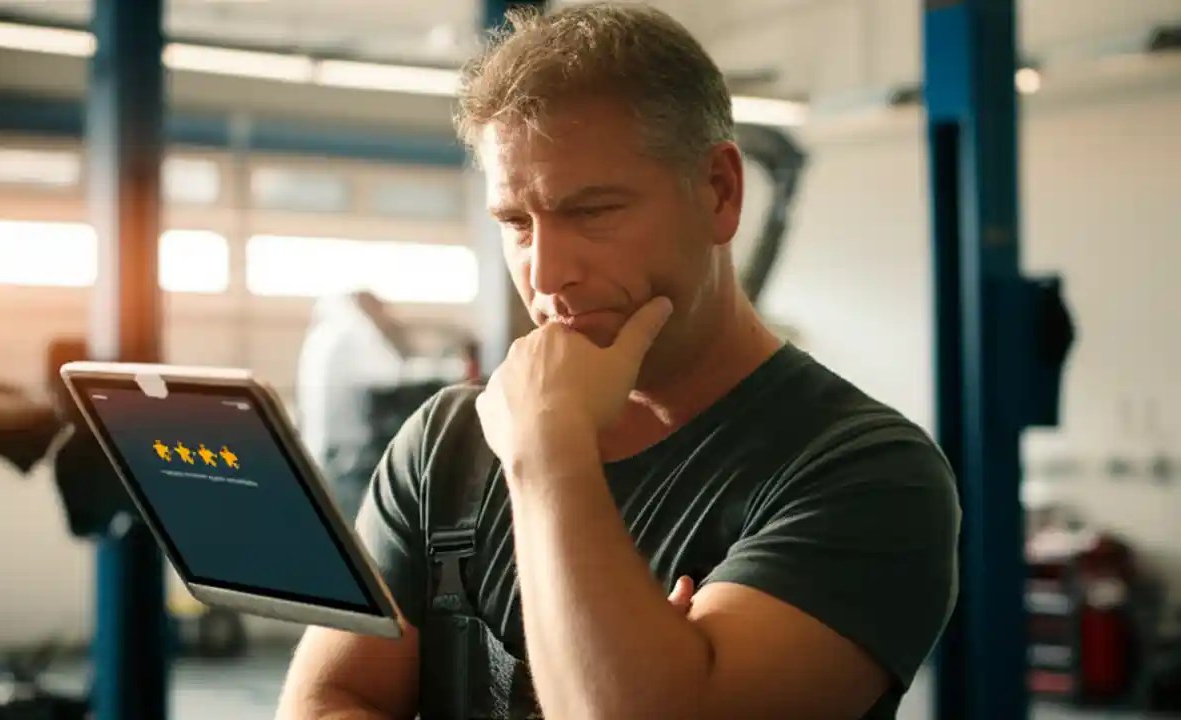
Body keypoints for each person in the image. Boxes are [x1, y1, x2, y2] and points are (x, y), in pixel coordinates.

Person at [276, 4, 959, 719]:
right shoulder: (447, 443)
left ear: (720, 193)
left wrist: (547, 452)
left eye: (593, 211)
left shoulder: (864, 473)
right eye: (516, 222)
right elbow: (329, 699)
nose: (546, 274)